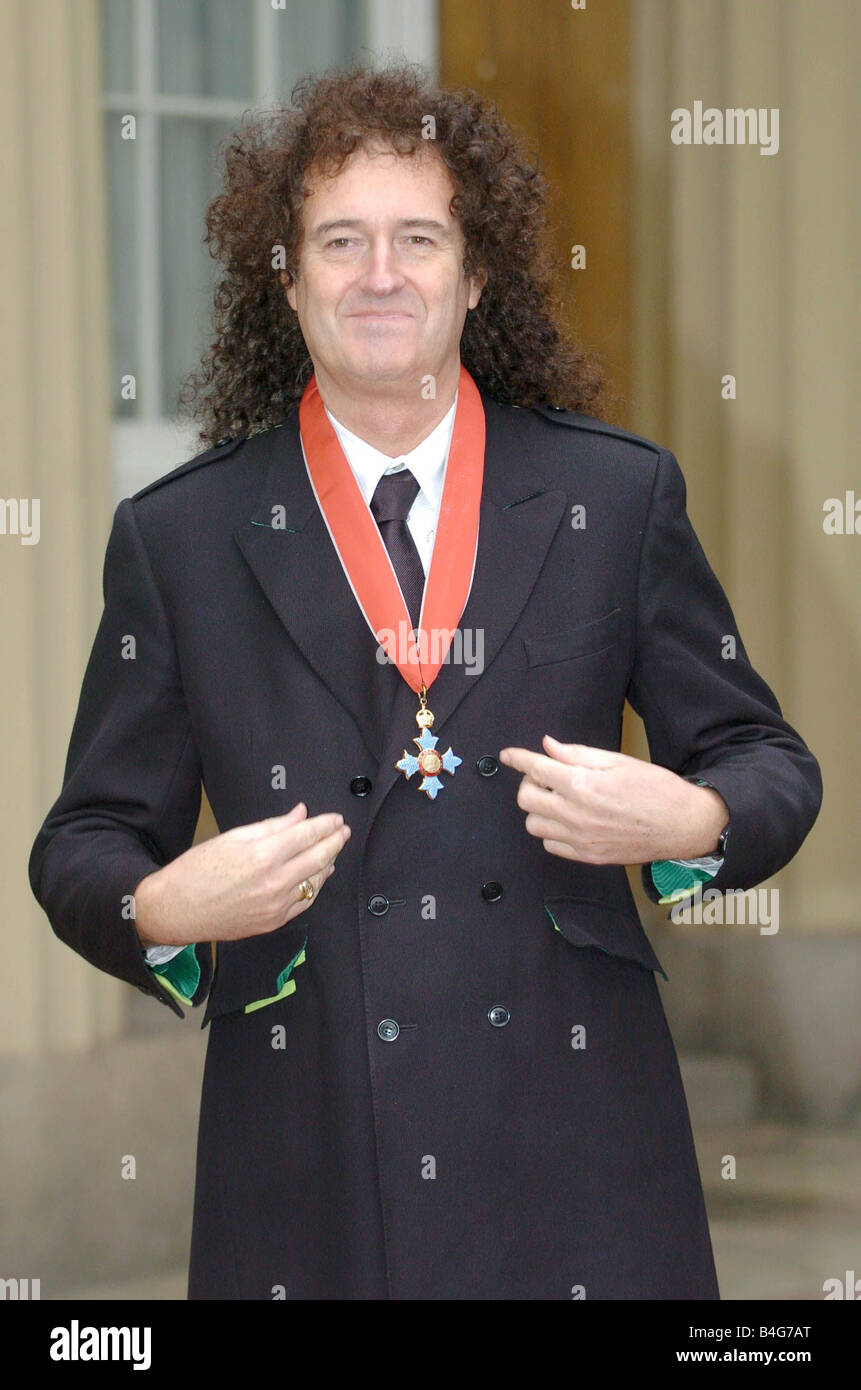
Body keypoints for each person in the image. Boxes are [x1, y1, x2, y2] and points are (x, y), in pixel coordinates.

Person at [29, 64, 822, 1300]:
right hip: (307, 1150)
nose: (380, 273)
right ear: (285, 280)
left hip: (577, 1145)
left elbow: (771, 762)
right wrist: (164, 903)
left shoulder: (614, 496)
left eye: (418, 237)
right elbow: (80, 843)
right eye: (339, 241)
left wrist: (696, 820)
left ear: (478, 272)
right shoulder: (179, 537)